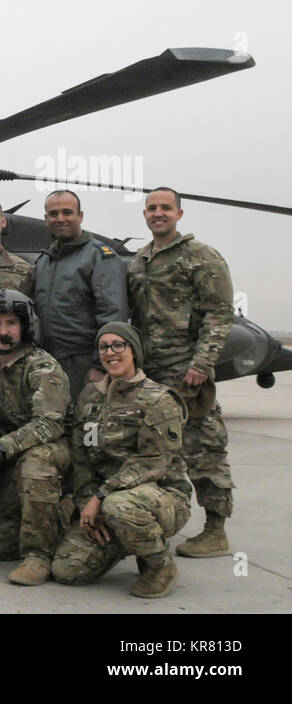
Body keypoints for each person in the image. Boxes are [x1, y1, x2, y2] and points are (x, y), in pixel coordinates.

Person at [126, 187, 236, 559]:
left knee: (203, 447)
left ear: (179, 214)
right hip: (150, 373)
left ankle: (216, 530)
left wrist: (202, 365)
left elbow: (219, 314)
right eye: (151, 208)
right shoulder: (140, 260)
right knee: (157, 451)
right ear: (145, 215)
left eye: (165, 208)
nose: (158, 214)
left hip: (187, 372)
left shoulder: (200, 256)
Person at [51, 322, 190, 598]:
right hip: (105, 501)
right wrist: (86, 504)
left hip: (161, 495)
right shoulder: (90, 396)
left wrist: (100, 498)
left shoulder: (158, 399)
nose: (110, 352)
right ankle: (124, 541)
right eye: (103, 346)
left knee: (119, 506)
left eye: (118, 345)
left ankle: (159, 564)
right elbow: (82, 459)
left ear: (133, 351)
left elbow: (152, 462)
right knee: (67, 570)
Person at [0, 290, 72, 585]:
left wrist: (1, 448)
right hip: (11, 457)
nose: (4, 331)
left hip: (50, 451)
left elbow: (49, 425)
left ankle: (38, 555)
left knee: (35, 461)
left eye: (12, 323)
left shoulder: (43, 367)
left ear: (26, 326)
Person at [32, 189, 130, 389]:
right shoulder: (45, 260)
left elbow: (113, 314)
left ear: (80, 216)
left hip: (83, 362)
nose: (60, 219)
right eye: (53, 214)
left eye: (67, 212)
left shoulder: (99, 257)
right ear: (46, 219)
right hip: (47, 359)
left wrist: (100, 364)